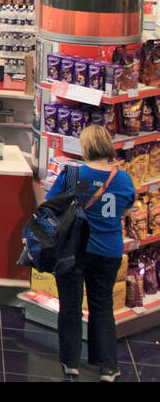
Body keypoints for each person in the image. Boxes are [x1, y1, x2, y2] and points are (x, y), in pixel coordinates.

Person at [46, 124, 135, 381]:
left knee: (71, 306)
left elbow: (50, 207)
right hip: (109, 251)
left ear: (85, 148)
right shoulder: (124, 179)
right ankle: (108, 366)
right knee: (102, 305)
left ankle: (70, 363)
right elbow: (126, 211)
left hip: (74, 250)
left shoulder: (72, 175)